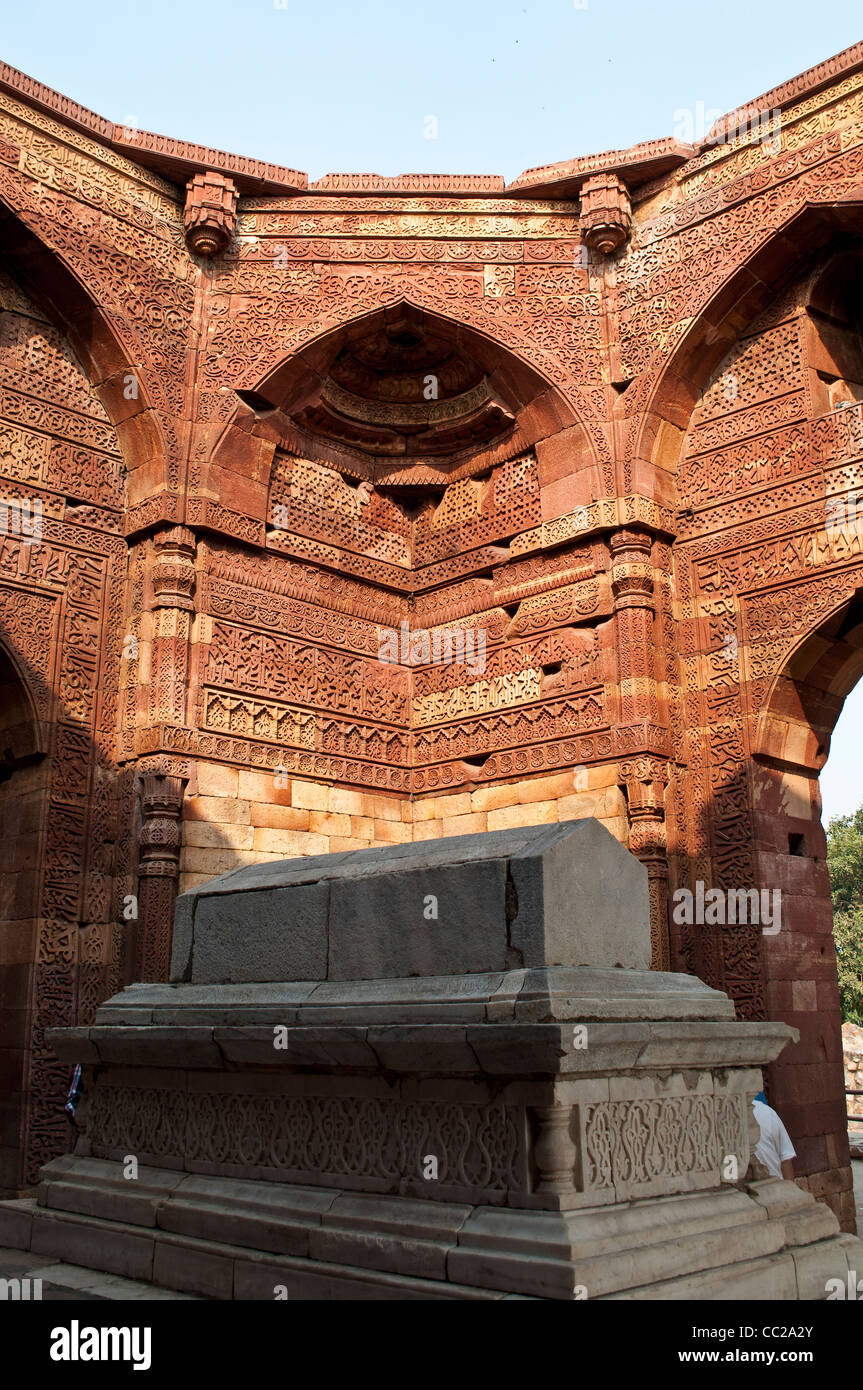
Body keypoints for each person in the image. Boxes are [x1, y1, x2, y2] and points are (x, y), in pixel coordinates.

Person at [752, 1089, 796, 1178]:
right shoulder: (768, 1112)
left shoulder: (767, 1112)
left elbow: (786, 1158)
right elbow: (786, 1159)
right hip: (777, 1186)